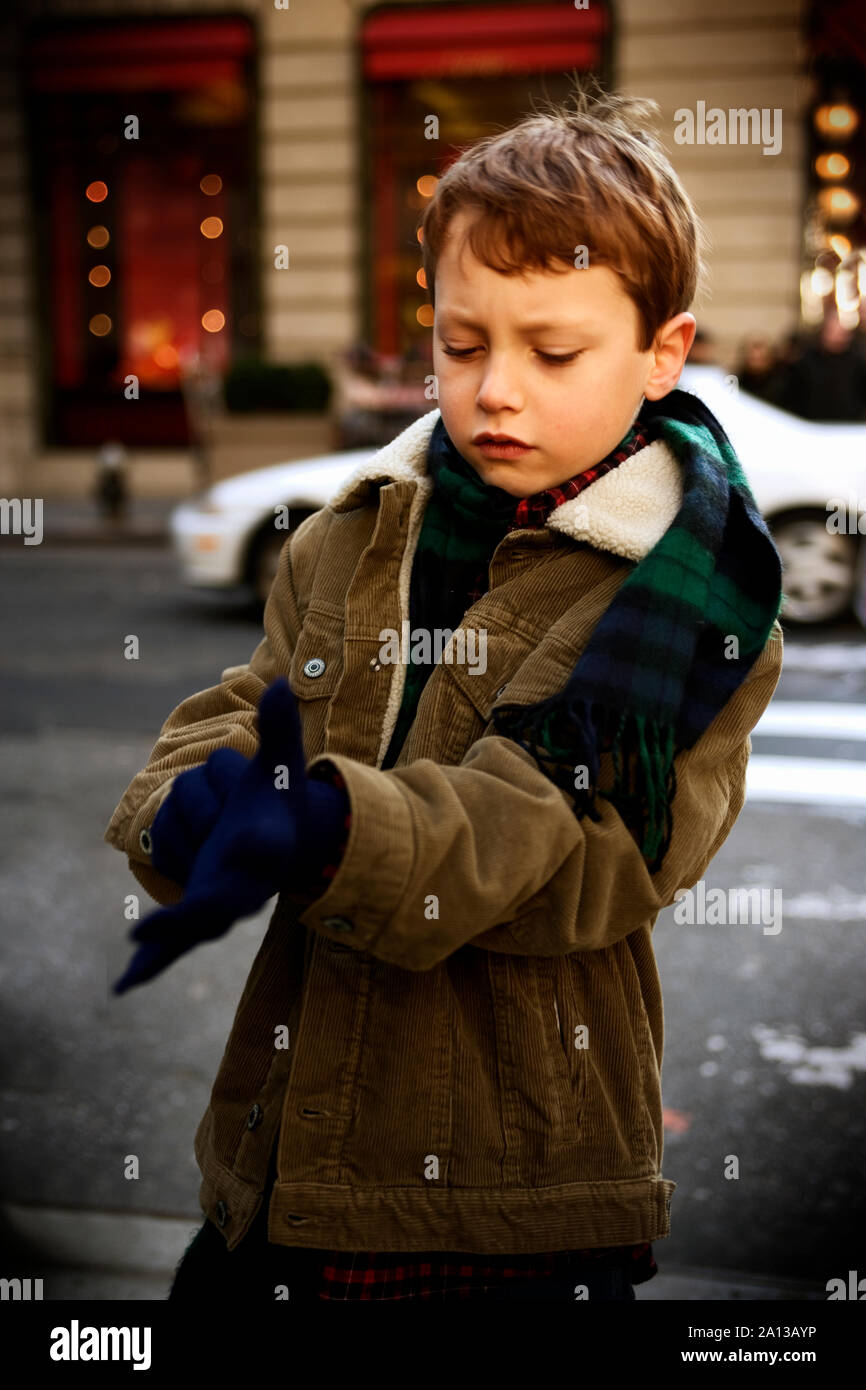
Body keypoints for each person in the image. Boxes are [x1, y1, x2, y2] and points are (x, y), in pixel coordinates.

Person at [104, 76, 785, 1302]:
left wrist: (332, 830)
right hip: (277, 1161)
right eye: (459, 345)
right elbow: (243, 701)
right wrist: (192, 802)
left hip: (515, 1198)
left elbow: (586, 855)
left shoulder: (694, 600)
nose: (494, 388)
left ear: (659, 353)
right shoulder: (349, 536)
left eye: (552, 350)